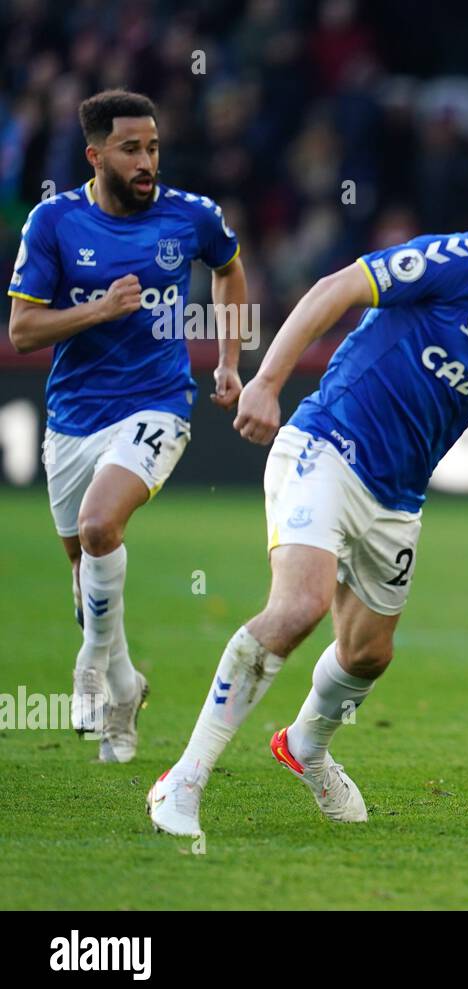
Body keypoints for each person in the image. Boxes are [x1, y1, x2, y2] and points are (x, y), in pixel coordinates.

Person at [148, 177, 468, 837]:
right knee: (298, 607)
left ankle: (305, 747)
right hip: (325, 447)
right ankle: (183, 779)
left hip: (396, 499)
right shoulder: (460, 261)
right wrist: (267, 381)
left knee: (368, 656)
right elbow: (337, 288)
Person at [7, 89, 246, 762]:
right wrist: (100, 312)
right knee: (86, 576)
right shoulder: (53, 223)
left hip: (158, 403)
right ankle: (124, 684)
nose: (148, 162)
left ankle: (89, 669)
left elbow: (229, 269)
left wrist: (230, 360)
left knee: (99, 526)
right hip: (73, 418)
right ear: (95, 155)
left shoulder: (189, 216)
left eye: (154, 147)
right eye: (132, 150)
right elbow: (23, 331)